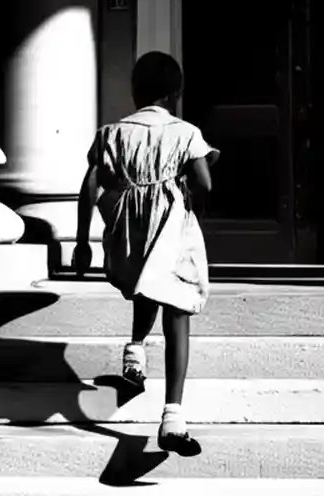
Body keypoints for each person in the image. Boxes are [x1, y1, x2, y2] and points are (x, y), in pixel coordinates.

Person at [73, 51, 219, 458]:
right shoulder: (185, 132)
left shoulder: (110, 133)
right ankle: (172, 415)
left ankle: (134, 358)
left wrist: (83, 241)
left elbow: (90, 186)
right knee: (178, 308)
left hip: (129, 232)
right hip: (171, 228)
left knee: (145, 284)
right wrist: (188, 189)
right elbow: (204, 184)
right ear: (176, 93)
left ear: (135, 91)